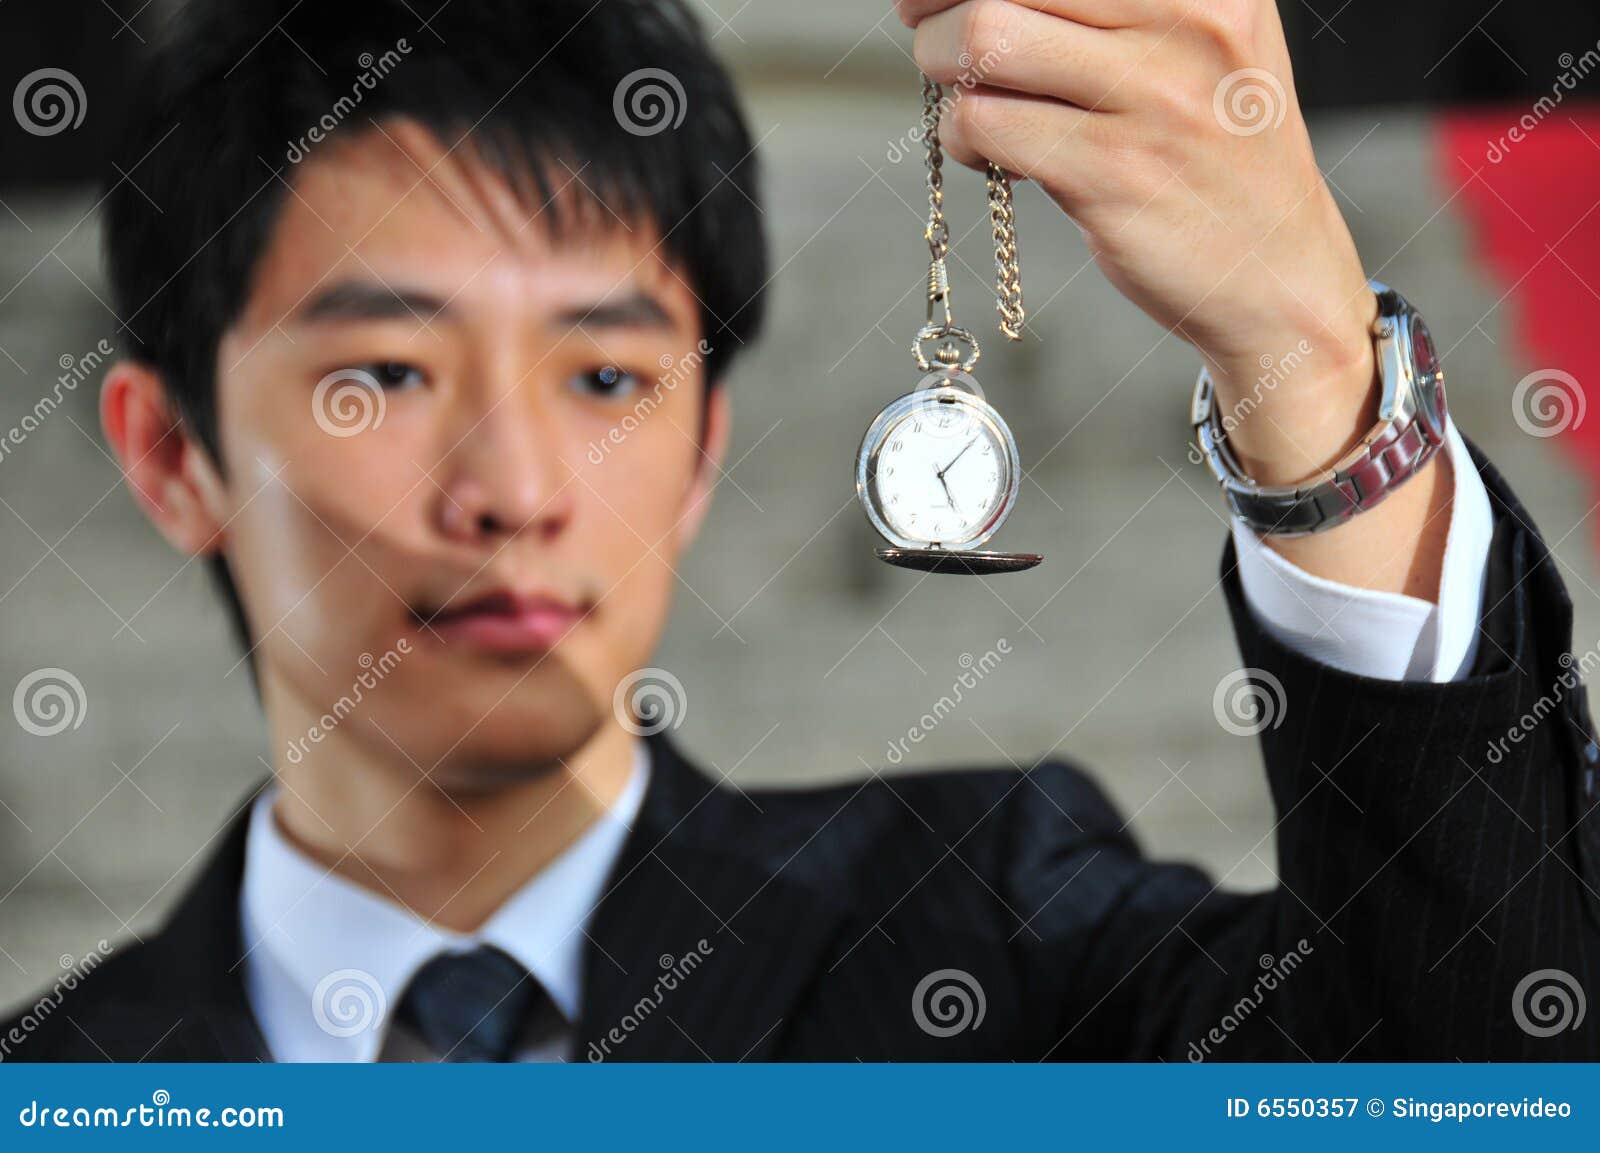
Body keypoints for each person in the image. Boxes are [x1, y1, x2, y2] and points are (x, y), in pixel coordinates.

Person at [4, 0, 1596, 1061]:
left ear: (703, 443)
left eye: (607, 373)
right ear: (170, 451)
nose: (515, 484)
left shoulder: (986, 938)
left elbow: (1471, 1063)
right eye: (388, 372)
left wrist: (1310, 369)